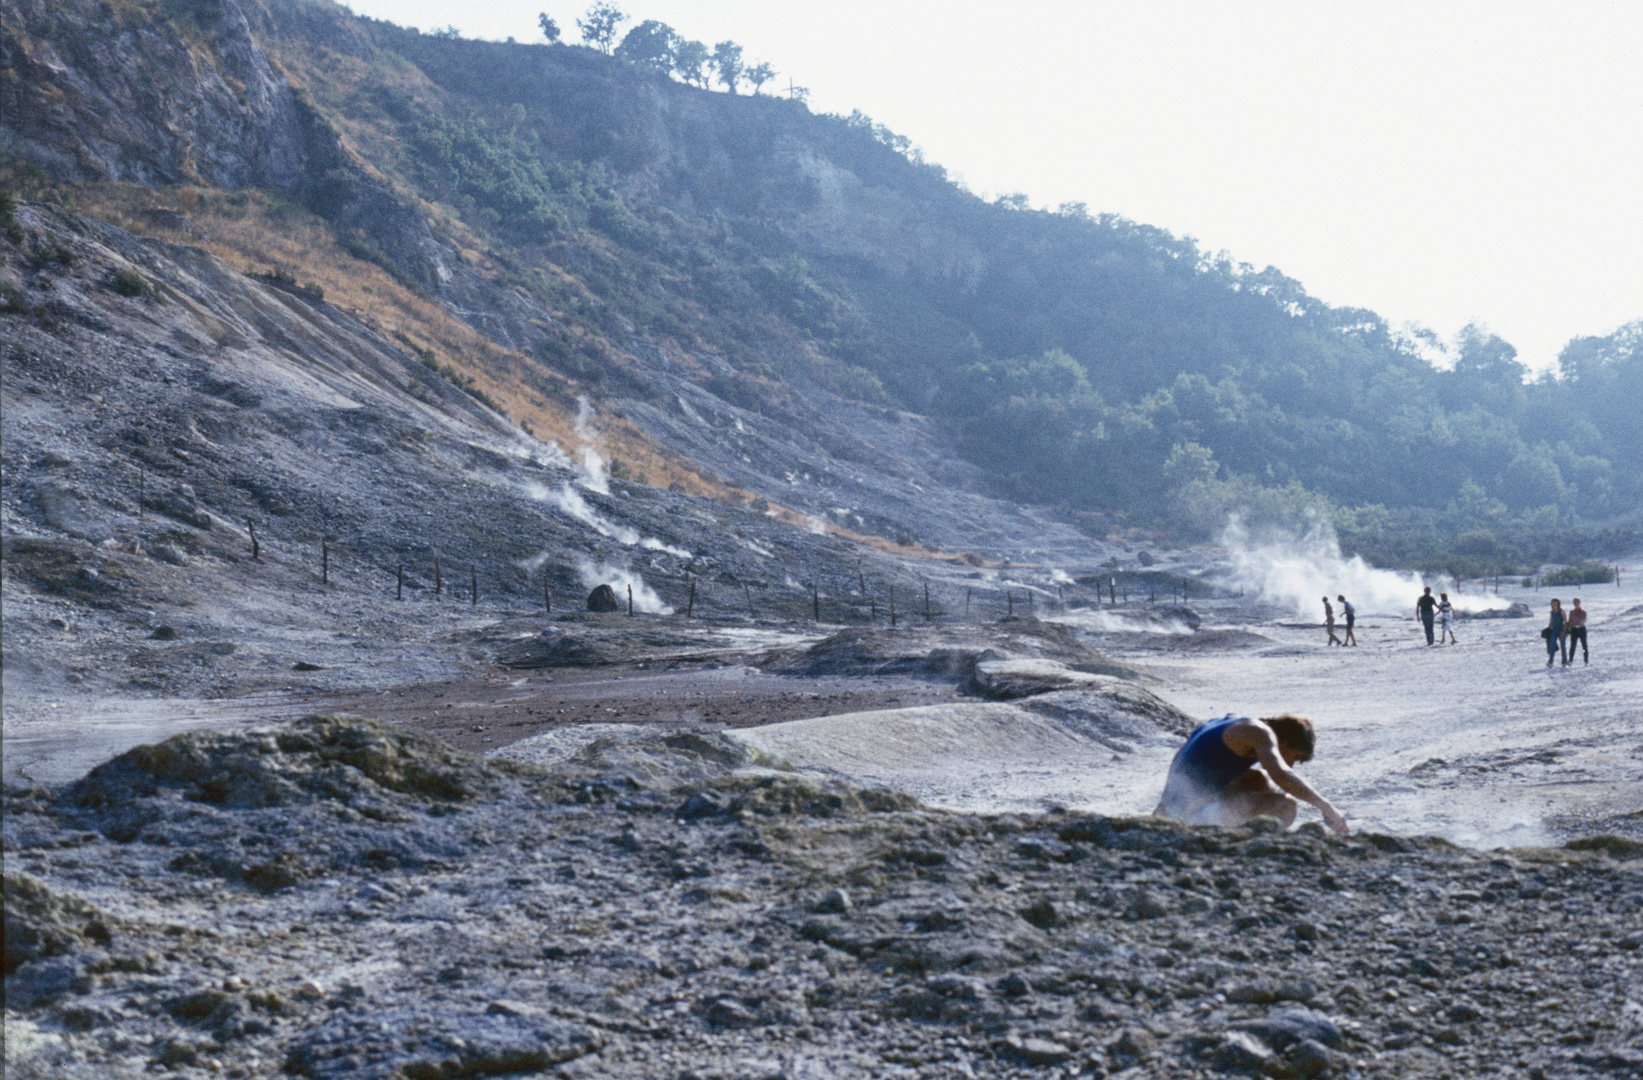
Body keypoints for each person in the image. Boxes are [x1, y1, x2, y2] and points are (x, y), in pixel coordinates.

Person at [1155, 714, 1349, 835]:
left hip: (1174, 807)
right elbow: (1283, 776)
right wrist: (1326, 807)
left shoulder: (1231, 723)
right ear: (1285, 742)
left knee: (1259, 779)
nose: (1291, 764)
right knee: (1286, 807)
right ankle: (1243, 844)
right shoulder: (1259, 732)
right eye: (1294, 757)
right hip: (1188, 817)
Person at [1543, 599, 1565, 668]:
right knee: (1551, 646)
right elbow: (1551, 621)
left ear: (1558, 604)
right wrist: (1548, 629)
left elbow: (1565, 621)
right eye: (1553, 603)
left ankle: (1564, 662)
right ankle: (1550, 662)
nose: (1554, 605)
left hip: (1561, 629)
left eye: (1555, 603)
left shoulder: (1561, 611)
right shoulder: (1552, 612)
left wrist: (1564, 630)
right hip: (1554, 630)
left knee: (1562, 647)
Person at [1565, 598, 1587, 665]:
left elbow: (1583, 620)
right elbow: (1570, 621)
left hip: (1581, 629)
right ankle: (1570, 660)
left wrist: (1579, 622)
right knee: (1572, 646)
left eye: (1577, 602)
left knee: (1584, 646)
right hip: (1574, 630)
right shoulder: (1571, 612)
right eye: (1575, 603)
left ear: (1579, 603)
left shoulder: (1583, 612)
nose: (1576, 604)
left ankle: (1585, 660)